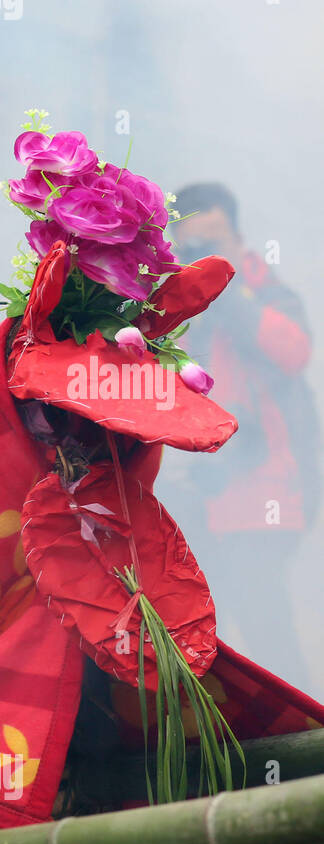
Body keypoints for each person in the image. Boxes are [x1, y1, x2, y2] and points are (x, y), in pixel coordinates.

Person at [164, 182, 316, 688]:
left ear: (238, 235)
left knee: (266, 625)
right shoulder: (179, 303)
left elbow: (293, 352)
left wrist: (225, 292)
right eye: (194, 246)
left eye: (217, 240)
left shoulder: (266, 291)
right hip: (200, 496)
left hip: (264, 492)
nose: (208, 255)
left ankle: (303, 739)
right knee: (210, 634)